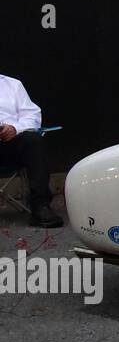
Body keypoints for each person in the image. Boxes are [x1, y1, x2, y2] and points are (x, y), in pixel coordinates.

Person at [0, 74, 58, 227]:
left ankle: (40, 207)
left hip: (8, 143)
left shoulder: (13, 84)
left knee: (33, 141)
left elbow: (32, 115)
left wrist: (15, 128)